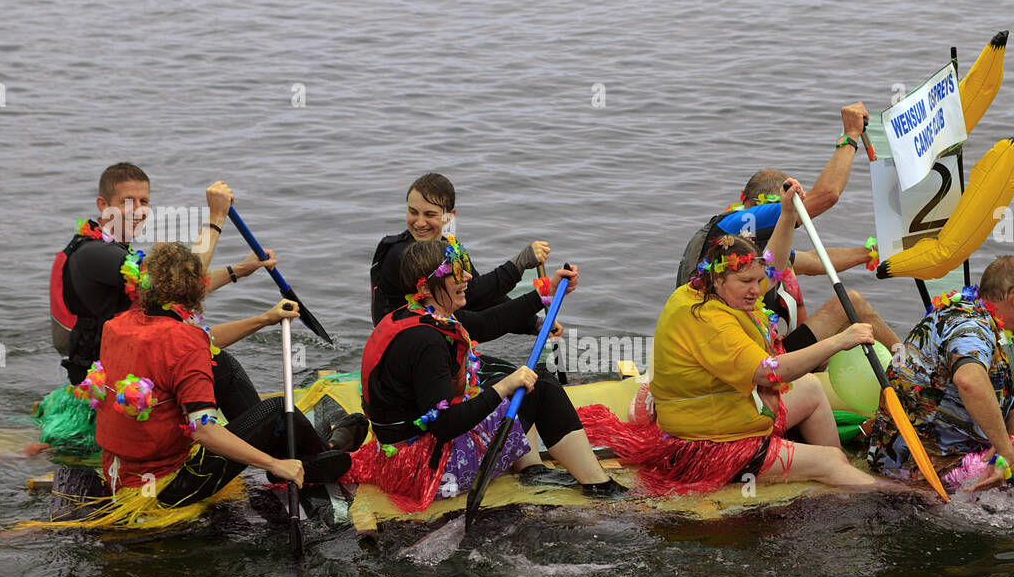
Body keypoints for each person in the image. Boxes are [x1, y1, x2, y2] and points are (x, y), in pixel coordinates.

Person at [581, 187, 896, 493]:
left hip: (725, 418)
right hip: (708, 449)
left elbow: (774, 265)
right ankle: (902, 498)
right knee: (830, 460)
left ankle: (834, 480)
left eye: (757, 281)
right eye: (746, 282)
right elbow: (768, 372)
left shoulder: (710, 288)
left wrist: (786, 214)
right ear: (718, 279)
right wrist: (840, 341)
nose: (756, 290)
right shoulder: (709, 319)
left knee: (812, 389)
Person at [350, 237, 625, 511]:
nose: (468, 277)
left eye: (464, 268)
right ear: (425, 287)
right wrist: (504, 387)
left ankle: (531, 470)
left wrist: (548, 293)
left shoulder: (414, 313)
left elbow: (486, 323)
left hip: (397, 457)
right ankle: (599, 486)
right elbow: (444, 425)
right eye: (457, 271)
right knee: (540, 388)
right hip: (423, 472)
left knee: (507, 378)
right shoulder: (428, 342)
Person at [86, 242, 358, 512]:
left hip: (120, 473)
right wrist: (273, 465)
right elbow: (204, 430)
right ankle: (316, 456)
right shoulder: (184, 341)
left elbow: (200, 343)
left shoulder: (119, 324)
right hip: (168, 488)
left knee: (220, 362)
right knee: (276, 409)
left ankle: (289, 450)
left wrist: (265, 319)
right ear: (195, 290)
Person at [39, 163, 277, 455]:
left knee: (197, 348)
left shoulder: (109, 251)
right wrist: (216, 218)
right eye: (127, 202)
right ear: (103, 205)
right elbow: (183, 284)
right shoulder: (96, 255)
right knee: (221, 367)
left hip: (117, 369)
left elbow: (172, 288)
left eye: (144, 202)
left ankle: (260, 443)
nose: (137, 210)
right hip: (112, 389)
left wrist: (238, 270)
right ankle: (270, 451)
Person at [675, 104, 899, 351]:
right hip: (728, 350)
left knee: (850, 314)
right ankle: (912, 368)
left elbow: (813, 261)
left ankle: (906, 364)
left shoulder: (751, 246)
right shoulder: (737, 223)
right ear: (748, 204)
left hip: (748, 344)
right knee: (852, 305)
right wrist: (851, 136)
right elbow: (826, 195)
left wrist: (876, 252)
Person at [865, 255, 1014, 491]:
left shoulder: (998, 332)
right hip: (923, 463)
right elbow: (968, 381)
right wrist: (1006, 455)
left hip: (955, 439)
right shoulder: (970, 327)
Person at [369, 172, 551, 325]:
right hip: (403, 348)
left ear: (449, 217)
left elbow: (485, 295)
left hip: (435, 337)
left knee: (510, 367)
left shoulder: (450, 247)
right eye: (413, 212)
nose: (419, 222)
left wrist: (533, 323)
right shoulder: (402, 255)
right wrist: (519, 264)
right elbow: (474, 299)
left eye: (429, 214)